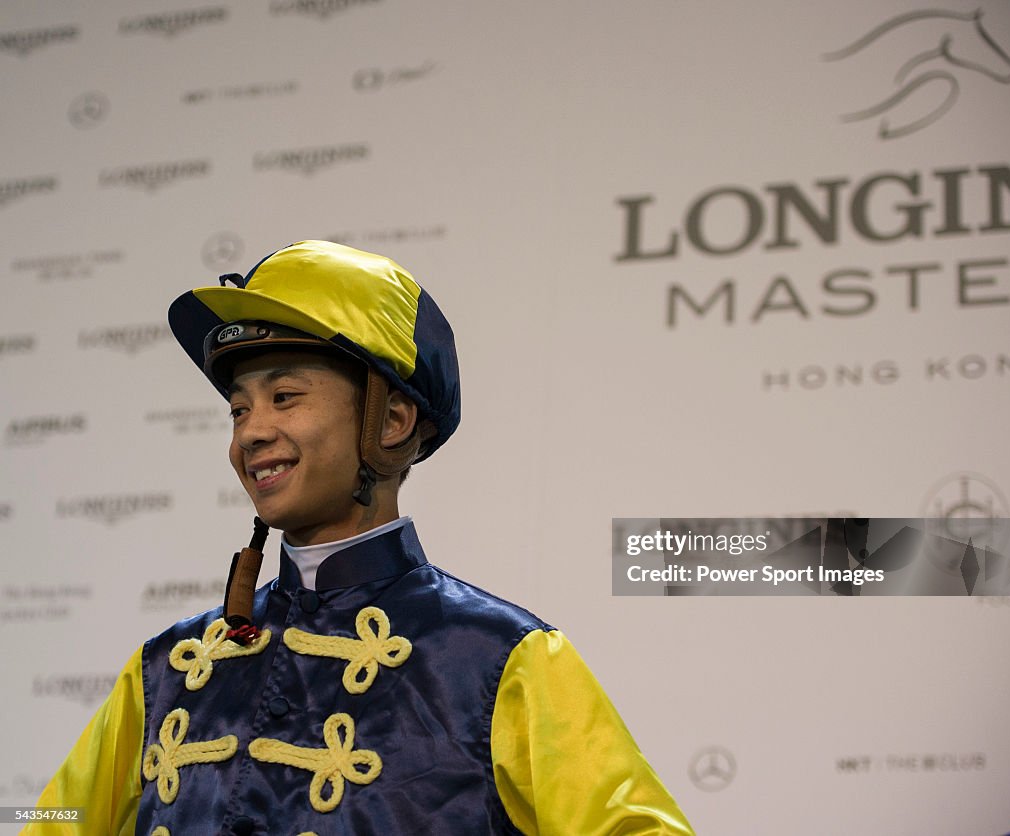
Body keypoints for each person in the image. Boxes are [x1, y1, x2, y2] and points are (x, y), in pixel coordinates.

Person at [31, 240, 694, 835]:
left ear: (393, 420)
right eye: (239, 408)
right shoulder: (165, 668)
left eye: (285, 397)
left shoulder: (501, 659)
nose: (251, 432)